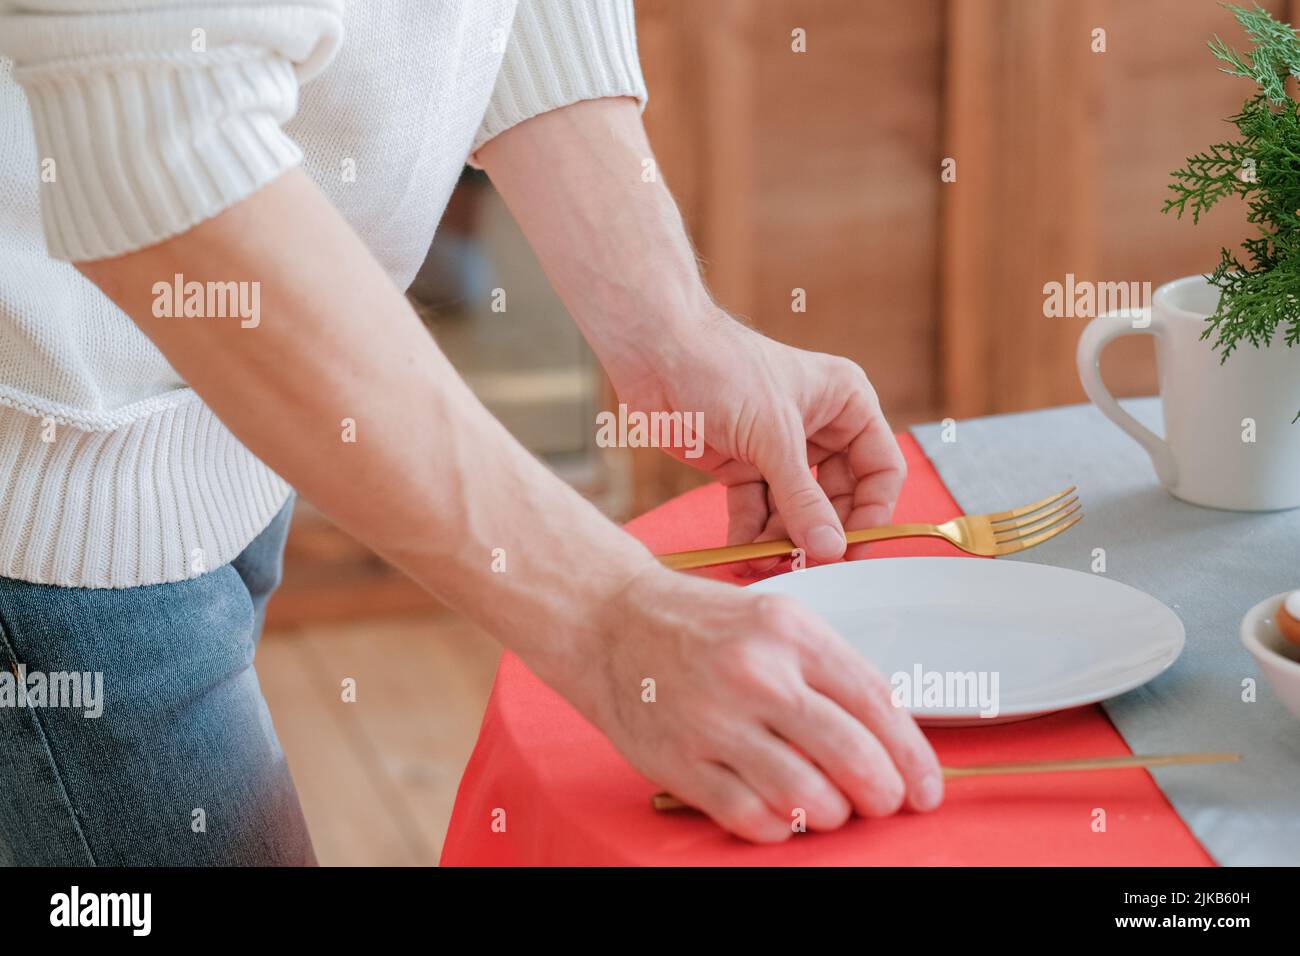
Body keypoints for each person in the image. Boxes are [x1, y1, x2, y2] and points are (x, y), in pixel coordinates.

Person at [0, 0, 942, 866]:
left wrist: (672, 328)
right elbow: (155, 137)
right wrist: (607, 619)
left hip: (201, 414)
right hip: (44, 494)